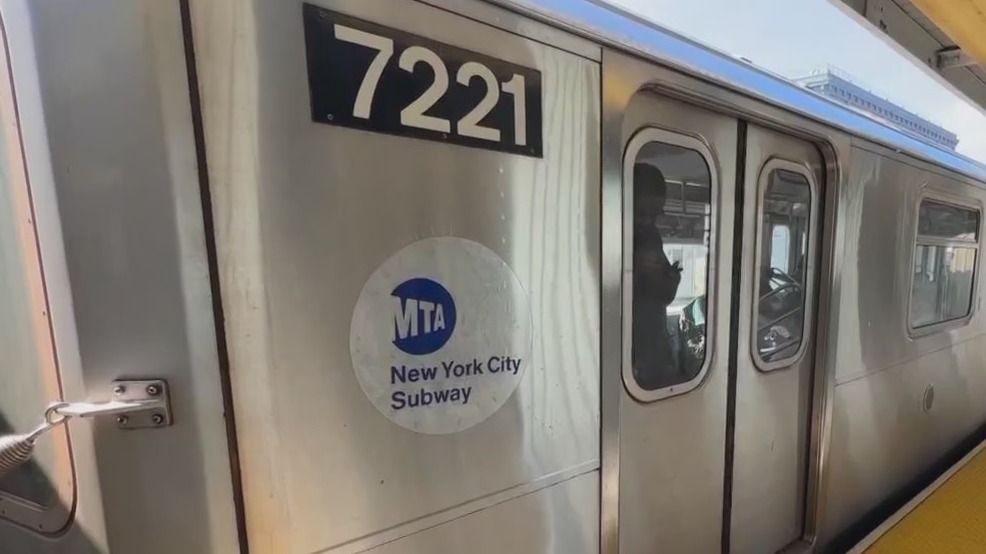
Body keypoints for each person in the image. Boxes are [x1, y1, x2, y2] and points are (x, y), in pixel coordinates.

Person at [632, 162, 683, 390]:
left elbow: (663, 297)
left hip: (653, 343)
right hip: (632, 348)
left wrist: (671, 278)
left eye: (654, 215)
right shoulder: (619, 235)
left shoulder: (652, 237)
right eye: (642, 213)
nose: (648, 222)